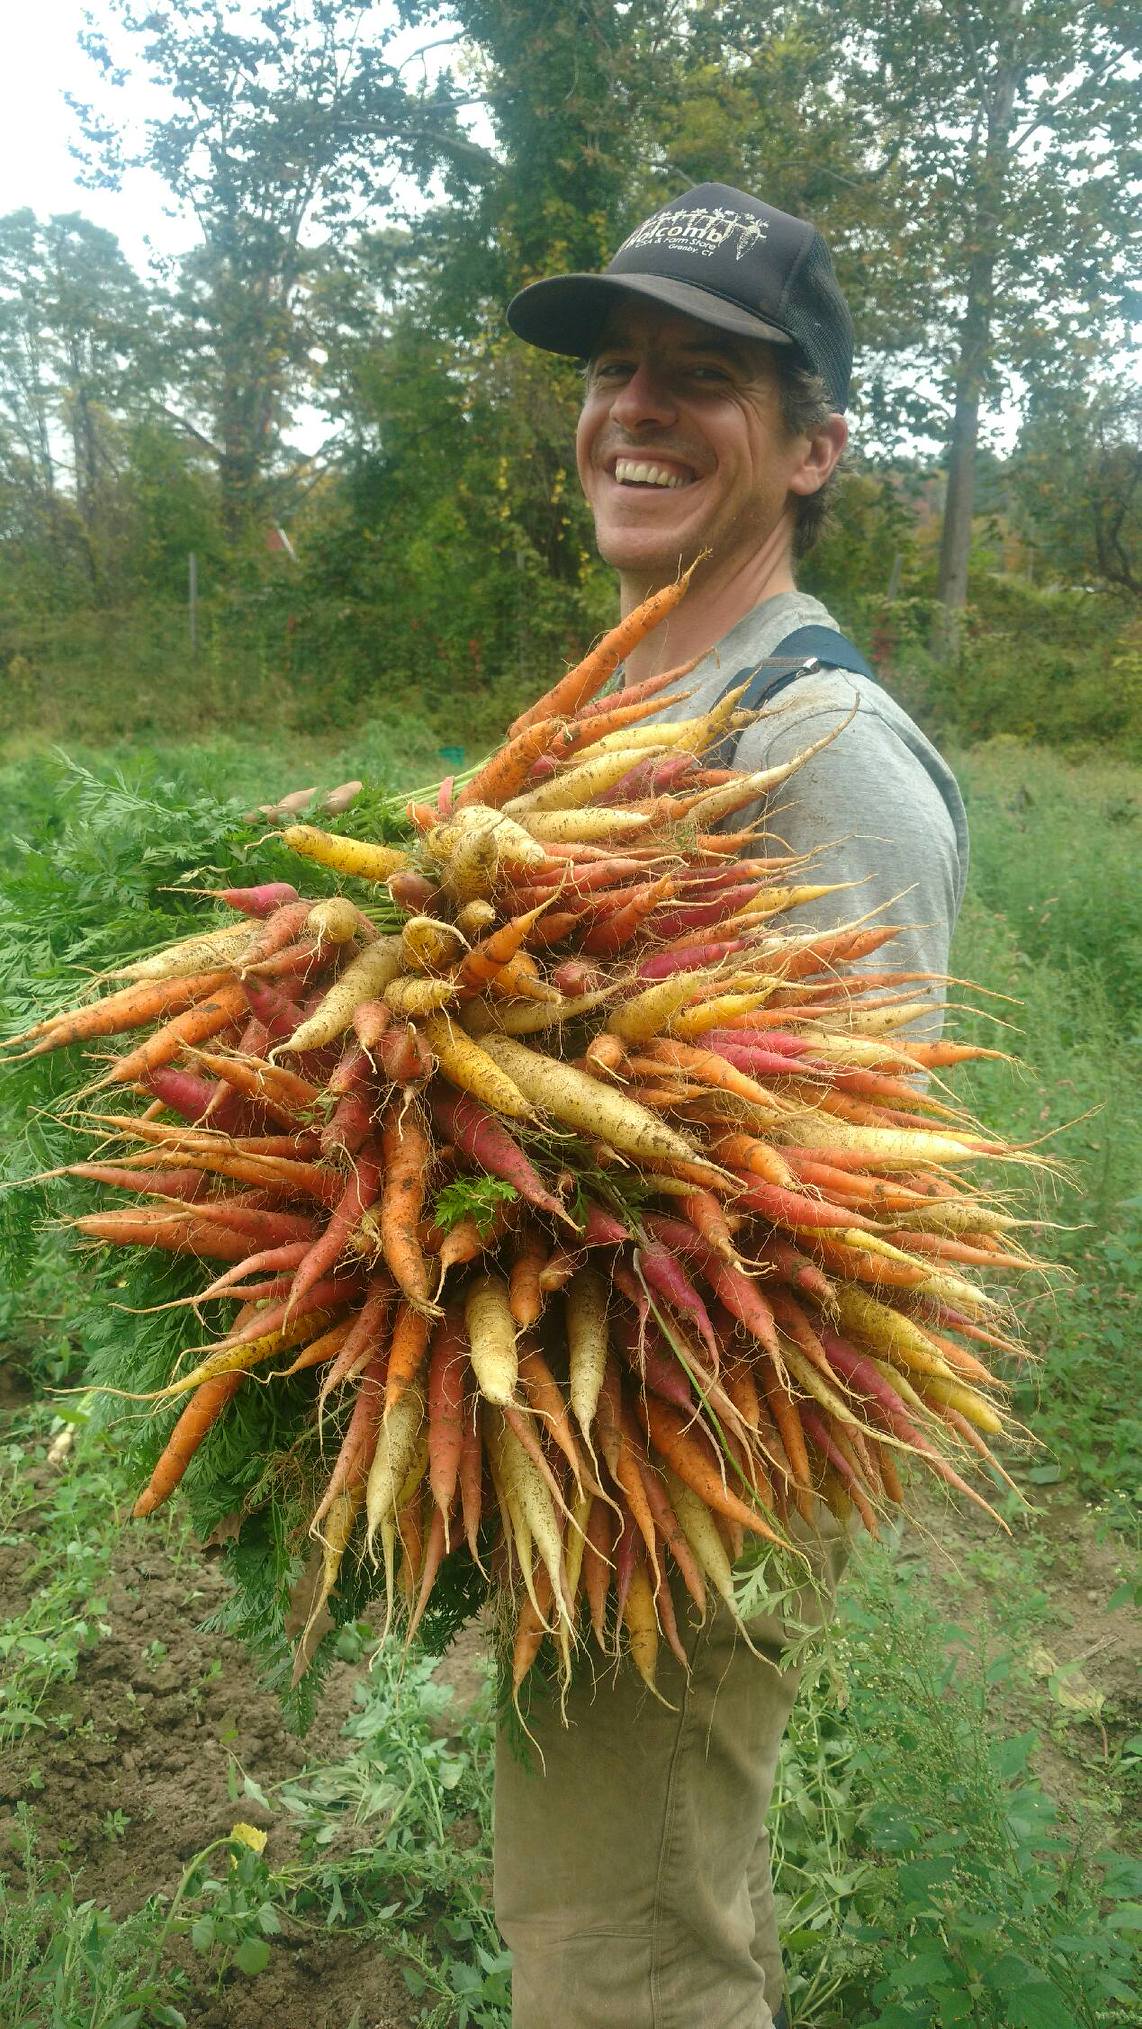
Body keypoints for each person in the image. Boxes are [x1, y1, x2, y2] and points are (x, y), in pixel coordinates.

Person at [491, 184, 970, 2029]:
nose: (634, 406)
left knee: (623, 1956)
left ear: (811, 448)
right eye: (612, 368)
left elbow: (827, 1234)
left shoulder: (814, 749)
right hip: (584, 1430)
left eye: (702, 376)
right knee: (646, 1901)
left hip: (691, 1460)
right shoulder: (637, 691)